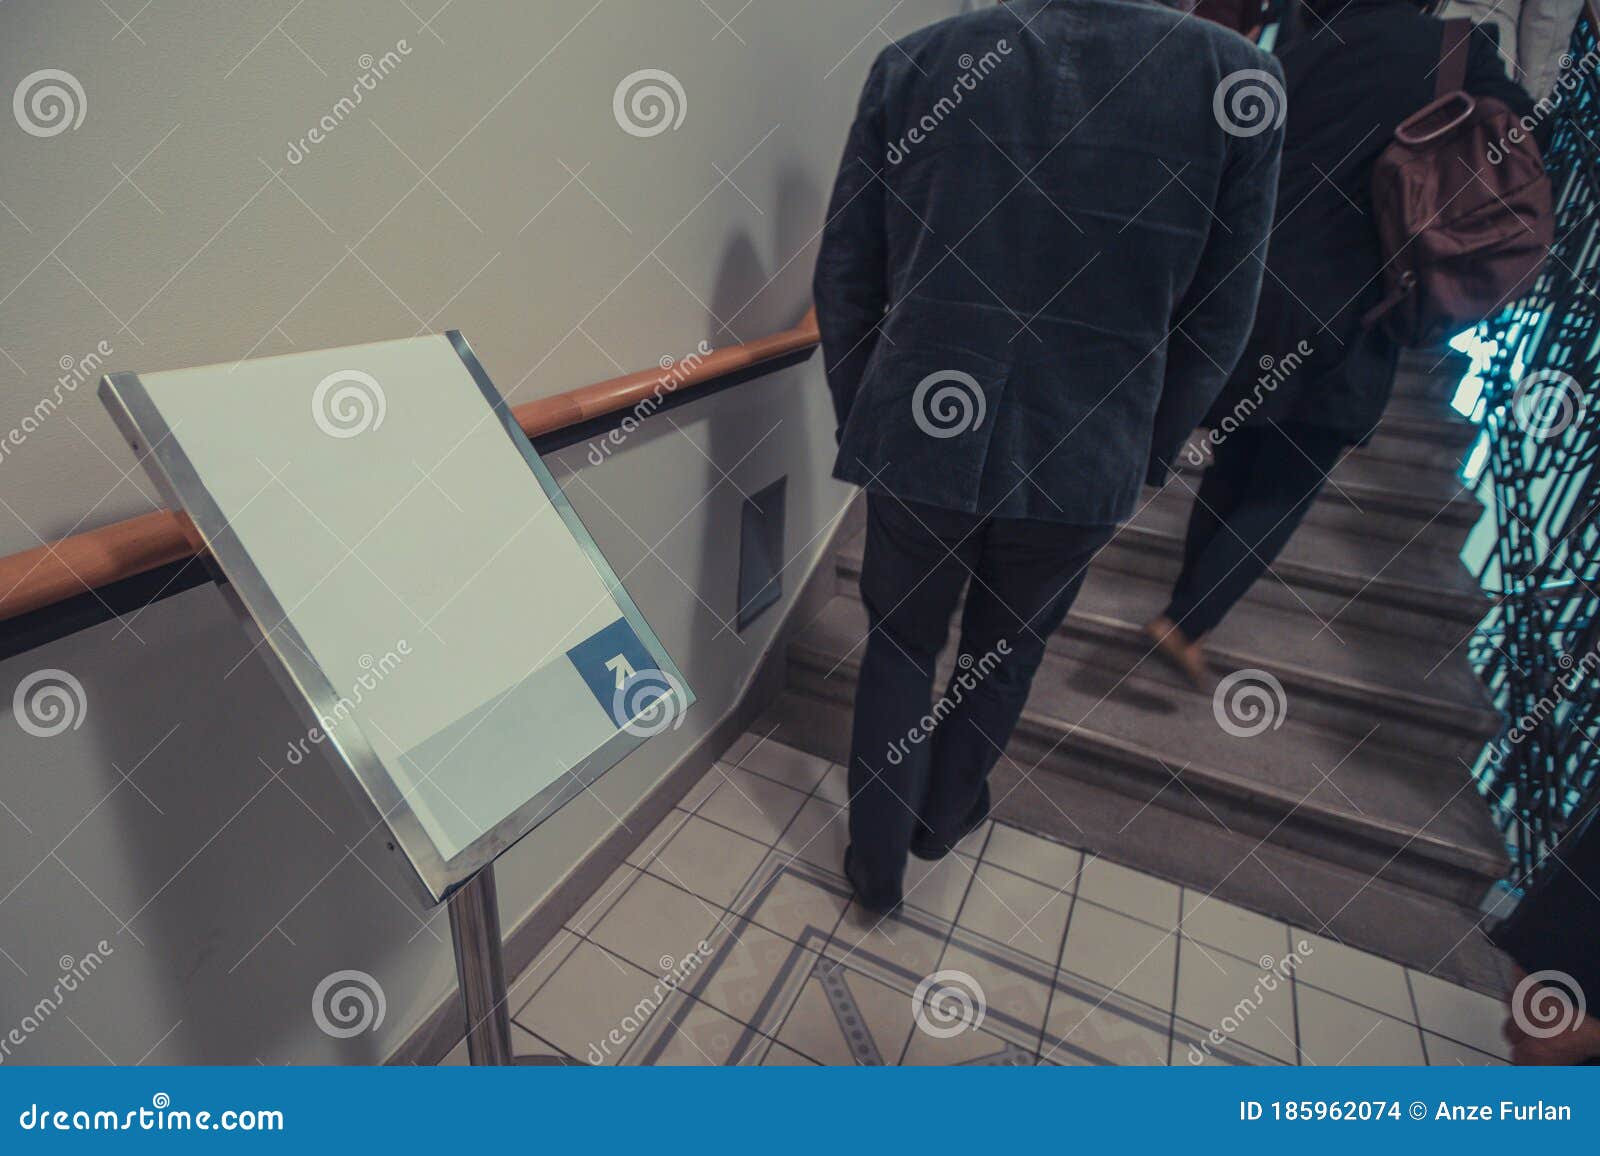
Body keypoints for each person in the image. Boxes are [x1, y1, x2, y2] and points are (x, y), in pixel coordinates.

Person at [813, 0, 1283, 913]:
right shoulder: (1238, 81)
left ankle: (876, 865)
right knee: (1010, 644)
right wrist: (1145, 446)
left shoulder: (916, 61)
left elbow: (846, 271)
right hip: (1091, 434)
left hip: (919, 421)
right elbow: (1225, 317)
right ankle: (941, 818)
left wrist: (863, 408)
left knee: (901, 642)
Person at [1144, 0, 1538, 685]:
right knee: (1294, 475)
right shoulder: (1451, 47)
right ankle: (1185, 619)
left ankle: (1184, 609)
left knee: (1235, 456)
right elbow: (1525, 133)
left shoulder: (1292, 53)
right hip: (1356, 296)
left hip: (1256, 288)